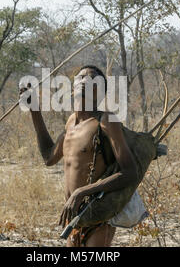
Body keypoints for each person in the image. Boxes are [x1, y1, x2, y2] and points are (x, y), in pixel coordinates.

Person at [20, 65, 137, 247]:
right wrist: (35, 110)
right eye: (80, 78)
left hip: (98, 215)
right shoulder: (71, 122)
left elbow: (130, 172)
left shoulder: (106, 121)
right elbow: (49, 158)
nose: (84, 82)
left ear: (101, 92)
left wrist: (82, 192)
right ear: (73, 87)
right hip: (73, 218)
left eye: (92, 80)